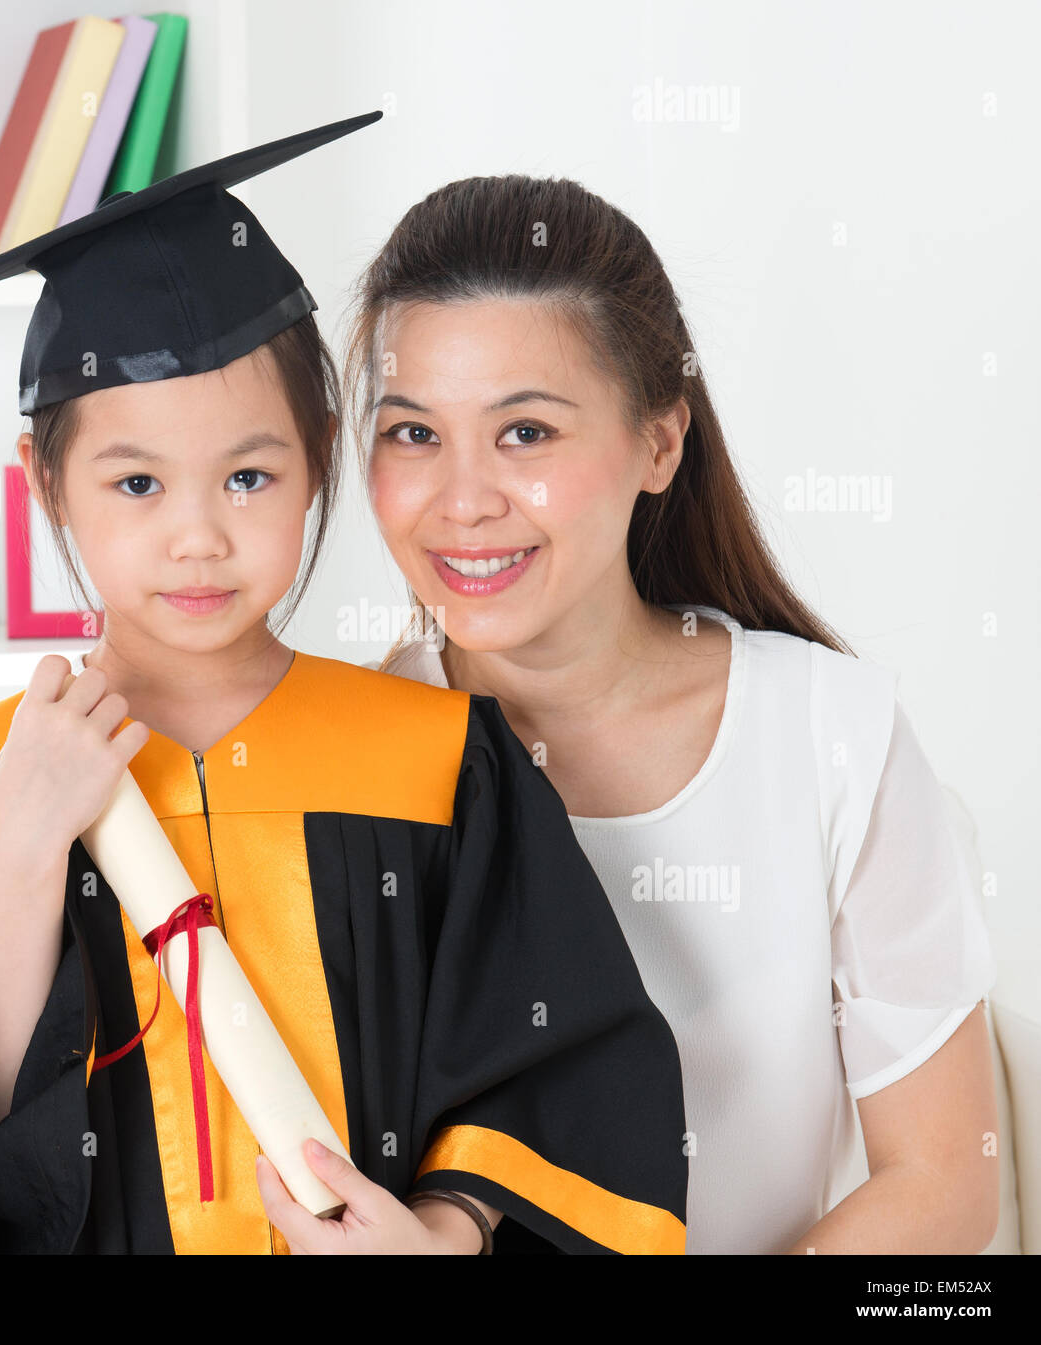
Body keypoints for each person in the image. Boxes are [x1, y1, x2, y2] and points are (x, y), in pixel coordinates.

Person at [0, 118, 688, 1255]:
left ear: (323, 453)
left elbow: (563, 1067)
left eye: (249, 475)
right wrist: (20, 861)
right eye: (135, 483)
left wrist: (445, 1232)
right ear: (46, 483)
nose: (198, 538)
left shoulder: (439, 761)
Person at [344, 172, 999, 1254]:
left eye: (524, 434)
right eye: (412, 433)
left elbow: (943, 1180)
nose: (461, 500)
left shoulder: (830, 734)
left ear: (659, 441)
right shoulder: (346, 757)